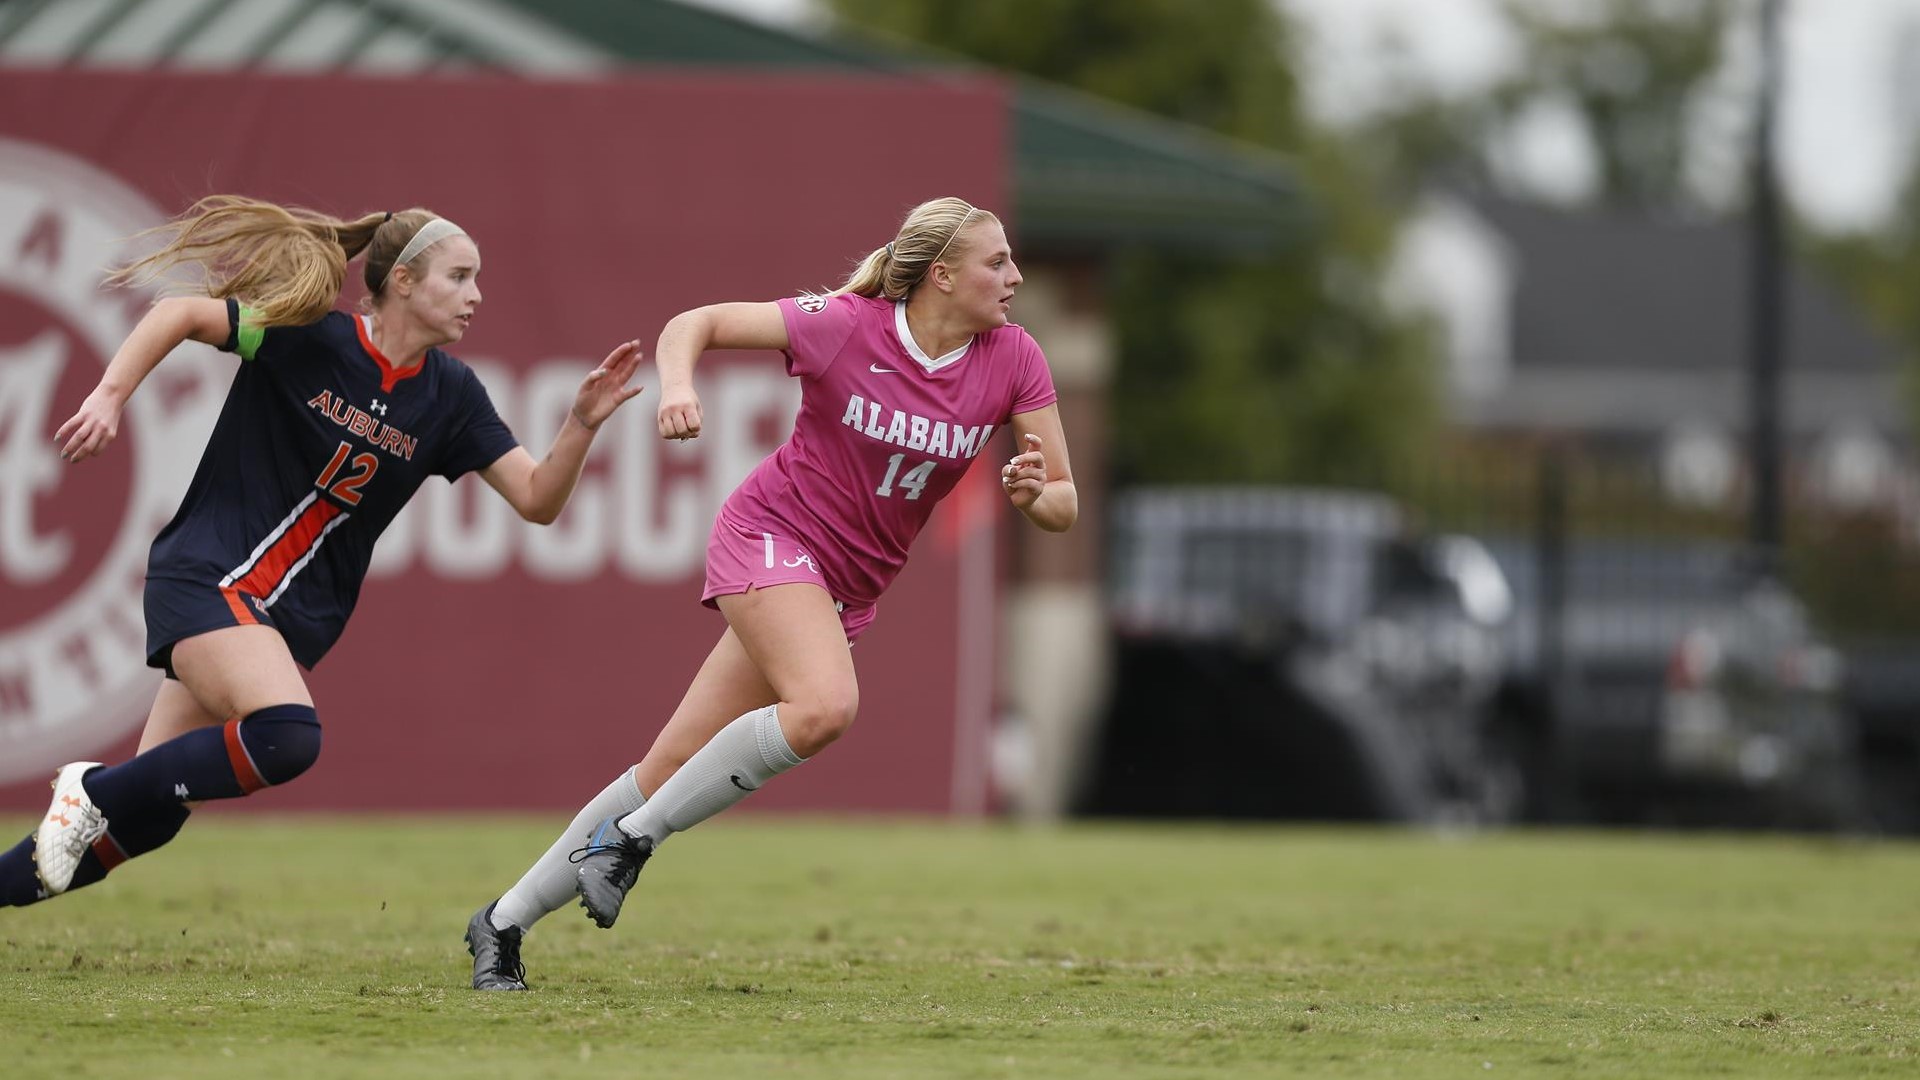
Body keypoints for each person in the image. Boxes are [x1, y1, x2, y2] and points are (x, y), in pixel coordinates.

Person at [464, 196, 1076, 991]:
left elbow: (1063, 501)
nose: (1015, 276)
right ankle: (634, 841)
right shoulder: (846, 325)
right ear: (942, 274)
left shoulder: (1014, 356)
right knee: (824, 706)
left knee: (664, 767)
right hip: (771, 536)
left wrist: (1034, 494)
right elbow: (696, 322)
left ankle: (503, 921)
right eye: (997, 262)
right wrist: (678, 387)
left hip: (842, 588)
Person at [0, 195, 645, 911]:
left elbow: (536, 499)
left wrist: (581, 425)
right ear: (402, 281)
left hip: (271, 619)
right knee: (286, 737)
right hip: (208, 578)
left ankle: (71, 824)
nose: (476, 295)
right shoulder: (310, 337)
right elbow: (178, 314)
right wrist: (110, 395)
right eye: (459, 277)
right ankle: (86, 788)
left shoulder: (452, 396)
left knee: (145, 818)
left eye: (477, 278)